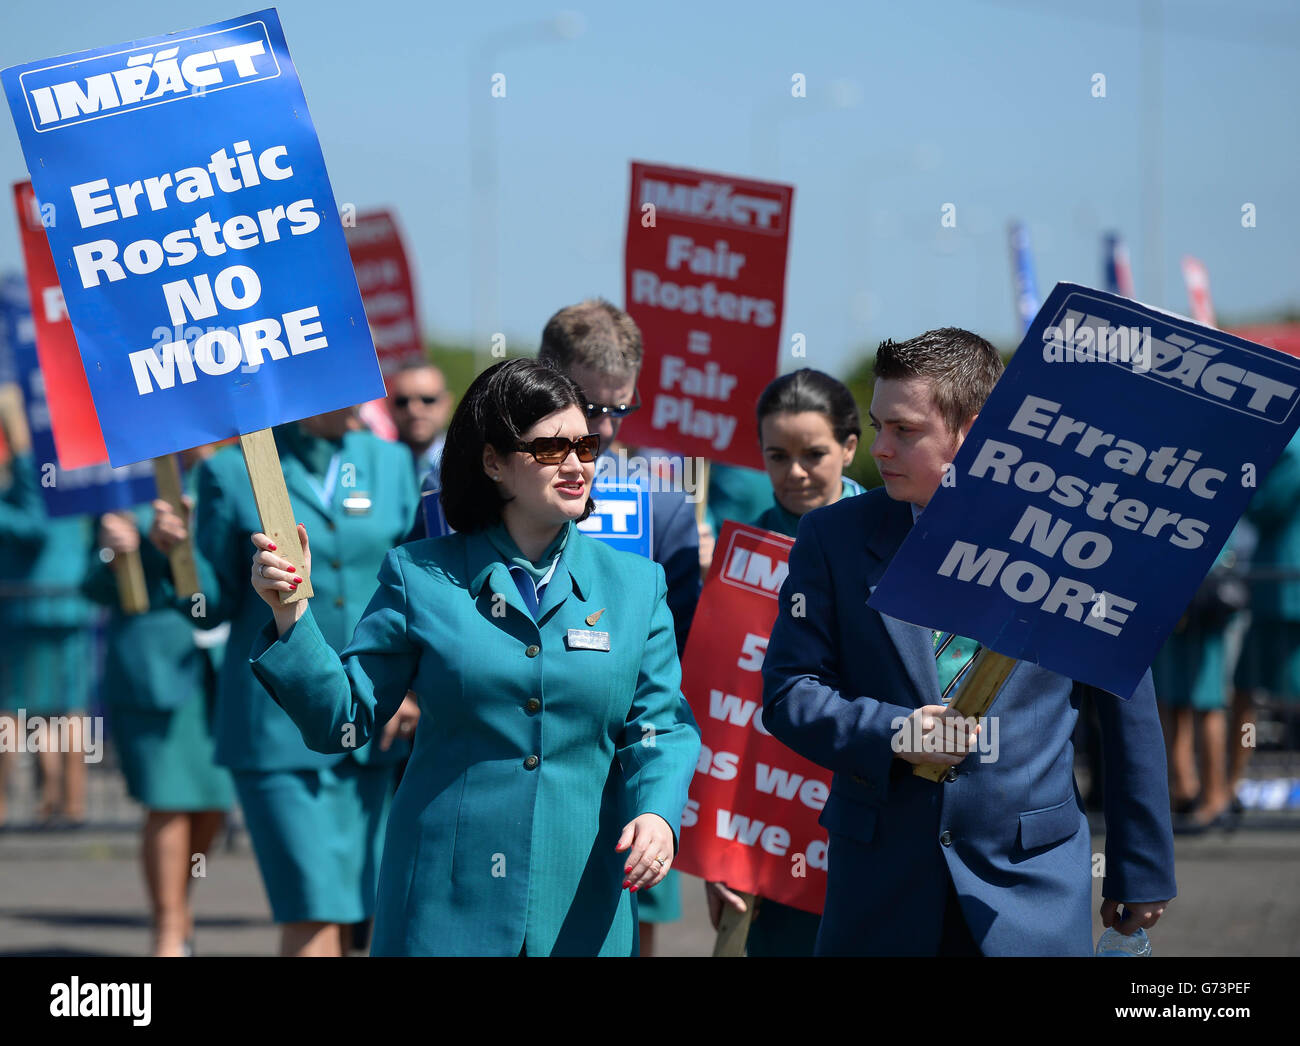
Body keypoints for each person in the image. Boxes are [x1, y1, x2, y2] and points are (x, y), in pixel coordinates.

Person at [246, 359, 700, 956]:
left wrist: (659, 815)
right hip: (441, 904)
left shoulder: (639, 586)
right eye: (550, 449)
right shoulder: (418, 574)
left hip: (582, 905)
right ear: (493, 462)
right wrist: (291, 615)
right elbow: (342, 719)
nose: (576, 464)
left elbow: (660, 727)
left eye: (585, 445)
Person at [761, 328, 1177, 956]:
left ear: (976, 430)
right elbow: (790, 693)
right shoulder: (832, 538)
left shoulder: (1076, 541)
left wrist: (1140, 866)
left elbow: (1126, 709)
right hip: (880, 889)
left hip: (1029, 884)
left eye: (905, 430)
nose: (882, 447)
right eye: (878, 426)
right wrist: (895, 732)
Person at [149, 407, 419, 957]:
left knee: (365, 912)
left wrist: (412, 687)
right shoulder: (233, 470)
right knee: (313, 905)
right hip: (276, 731)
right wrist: (178, 558)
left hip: (375, 724)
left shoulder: (392, 464)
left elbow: (418, 588)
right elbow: (209, 608)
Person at [706, 368, 865, 955]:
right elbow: (719, 712)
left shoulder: (898, 542)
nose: (795, 473)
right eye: (777, 455)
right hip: (764, 829)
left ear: (850, 447)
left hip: (869, 818)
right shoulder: (738, 552)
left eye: (814, 454)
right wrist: (715, 847)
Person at [84, 455, 234, 956]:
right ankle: (168, 928)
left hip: (224, 665)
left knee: (213, 800)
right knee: (169, 800)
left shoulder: (235, 473)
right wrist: (116, 553)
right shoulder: (121, 487)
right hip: (155, 666)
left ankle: (181, 906)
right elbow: (93, 584)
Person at [0, 444, 95, 829]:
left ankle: (14, 806)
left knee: (13, 711)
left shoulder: (30, 465)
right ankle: (63, 803)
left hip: (32, 606)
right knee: (62, 709)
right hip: (67, 602)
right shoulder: (72, 468)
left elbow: (34, 527)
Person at [1231, 428, 1300, 808]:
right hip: (1278, 589)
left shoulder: (1292, 443)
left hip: (1284, 589)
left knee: (1248, 691)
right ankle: (1228, 786)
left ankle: (1227, 787)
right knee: (1248, 691)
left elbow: (1265, 504)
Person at [386, 359, 453, 489]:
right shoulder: (376, 465)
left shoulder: (469, 463)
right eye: (402, 401)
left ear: (446, 404)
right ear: (390, 406)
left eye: (427, 400)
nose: (414, 410)